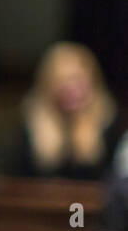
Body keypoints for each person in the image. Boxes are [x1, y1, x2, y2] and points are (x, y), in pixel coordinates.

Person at [9, 42, 121, 180]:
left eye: (78, 80)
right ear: (48, 85)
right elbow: (14, 180)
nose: (71, 89)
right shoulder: (30, 124)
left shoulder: (108, 121)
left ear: (93, 83)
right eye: (63, 81)